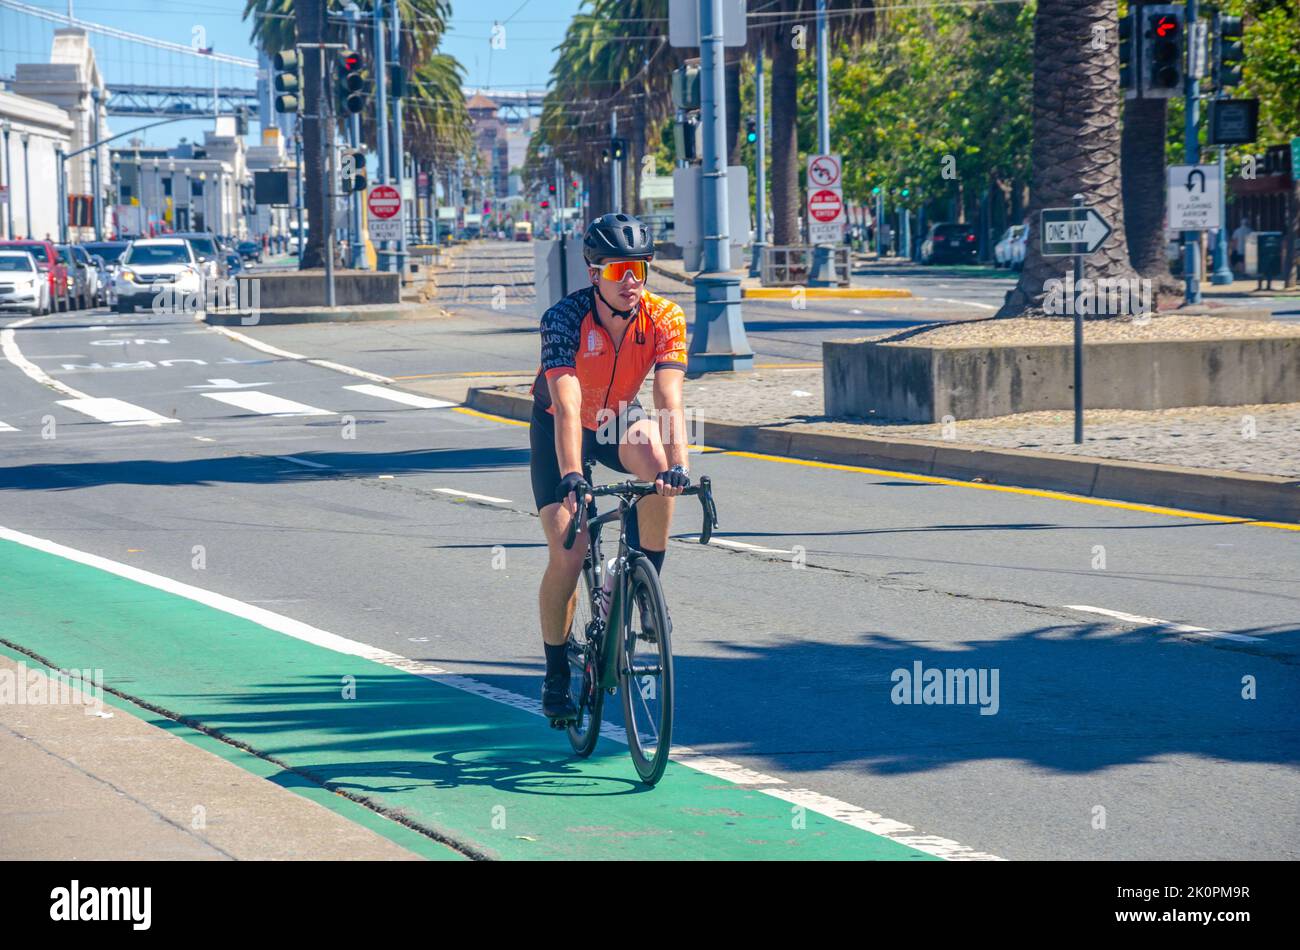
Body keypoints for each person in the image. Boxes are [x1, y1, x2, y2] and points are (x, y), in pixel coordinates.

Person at [530, 212, 691, 723]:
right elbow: (569, 405)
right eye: (619, 269)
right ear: (593, 270)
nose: (630, 281)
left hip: (620, 416)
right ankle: (557, 671)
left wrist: (680, 468)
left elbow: (668, 397)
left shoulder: (664, 316)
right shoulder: (563, 319)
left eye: (639, 268)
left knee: (657, 468)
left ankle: (644, 587)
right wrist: (573, 477)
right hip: (562, 425)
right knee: (571, 550)